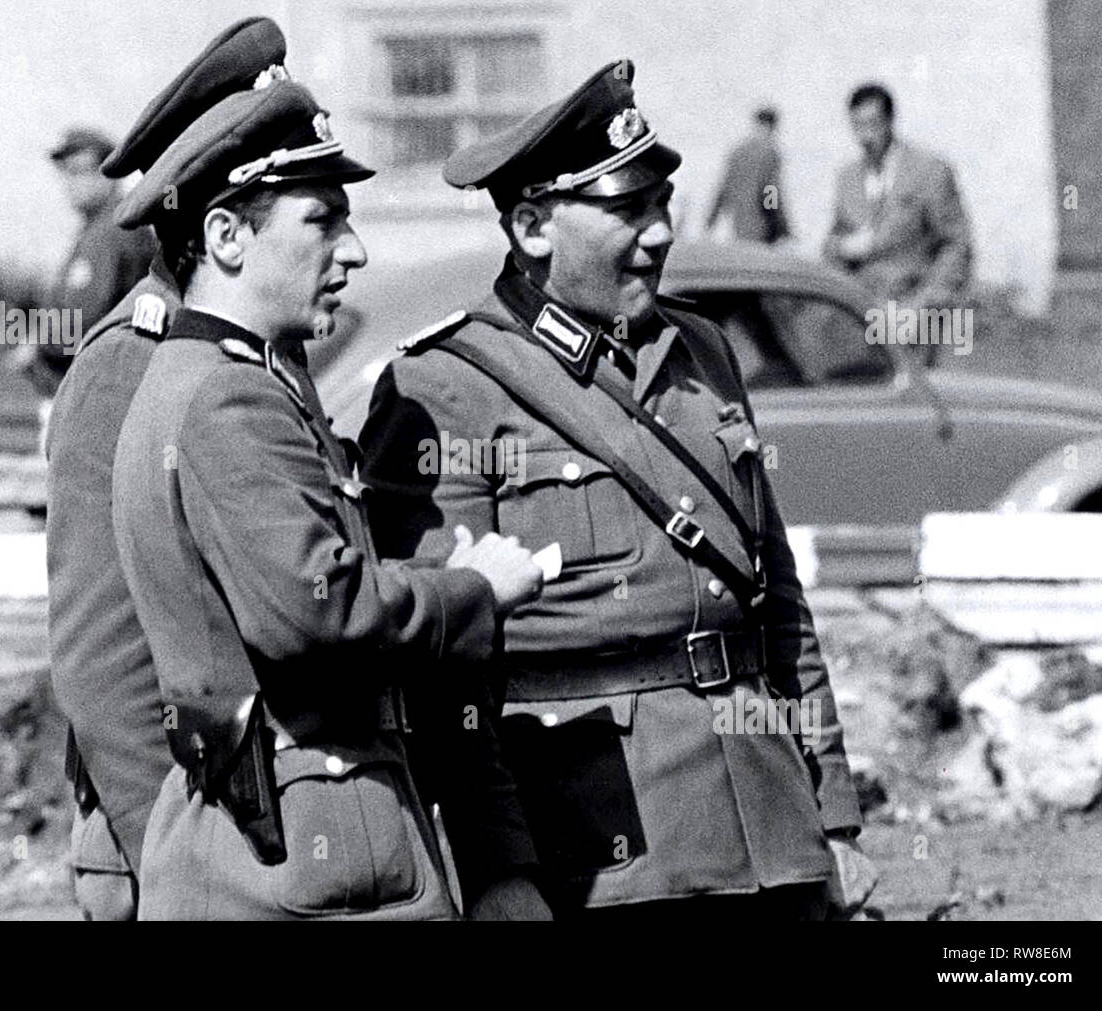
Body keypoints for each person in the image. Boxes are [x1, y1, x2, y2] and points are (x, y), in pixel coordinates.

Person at [360, 60, 878, 921]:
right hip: (605, 851)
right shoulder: (446, 387)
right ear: (532, 226)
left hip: (767, 818)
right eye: (626, 209)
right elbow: (437, 667)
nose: (660, 233)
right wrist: (496, 866)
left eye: (662, 204)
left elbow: (775, 598)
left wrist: (833, 810)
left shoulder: (704, 351)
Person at [107, 60, 548, 920]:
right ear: (228, 236)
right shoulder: (228, 396)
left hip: (271, 835)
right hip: (310, 848)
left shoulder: (203, 379)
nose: (354, 248)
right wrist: (474, 590)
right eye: (322, 220)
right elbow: (316, 611)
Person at [46, 17, 300, 920]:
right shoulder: (130, 360)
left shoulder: (258, 352)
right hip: (172, 840)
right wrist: (177, 856)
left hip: (260, 830)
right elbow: (98, 655)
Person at [822, 82, 972, 365]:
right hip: (861, 322)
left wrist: (922, 307)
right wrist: (843, 248)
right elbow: (830, 246)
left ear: (890, 121)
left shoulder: (929, 171)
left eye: (872, 124)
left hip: (916, 319)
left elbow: (958, 246)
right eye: (857, 126)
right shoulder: (847, 178)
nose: (865, 136)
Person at [20, 127, 155, 424]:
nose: (70, 183)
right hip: (97, 383)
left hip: (99, 389)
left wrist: (37, 344)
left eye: (80, 171)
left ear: (109, 173)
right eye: (65, 173)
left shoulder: (111, 231)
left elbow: (85, 319)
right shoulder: (103, 226)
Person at [704, 106, 790, 244]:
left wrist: (710, 222)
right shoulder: (770, 152)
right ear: (771, 126)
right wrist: (781, 228)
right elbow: (770, 190)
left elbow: (723, 189)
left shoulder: (737, 152)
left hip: (738, 225)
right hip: (763, 226)